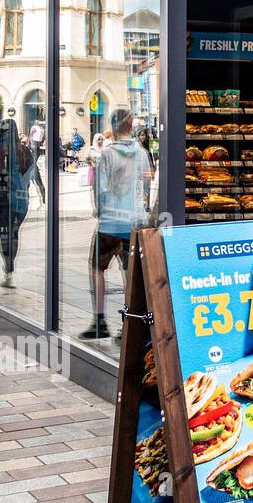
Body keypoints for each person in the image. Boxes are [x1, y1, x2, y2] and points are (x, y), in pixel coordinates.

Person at [81, 109, 153, 341]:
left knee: (96, 267)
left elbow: (100, 190)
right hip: (133, 221)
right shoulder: (141, 153)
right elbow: (147, 184)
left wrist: (100, 211)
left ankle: (99, 320)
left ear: (113, 127)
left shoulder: (108, 154)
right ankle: (128, 324)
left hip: (110, 224)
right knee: (128, 273)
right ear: (130, 127)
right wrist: (142, 211)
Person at [0, 118, 33, 288]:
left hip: (0, 199)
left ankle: (8, 267)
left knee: (3, 234)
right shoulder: (25, 151)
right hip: (21, 201)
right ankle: (9, 268)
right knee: (14, 233)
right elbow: (32, 175)